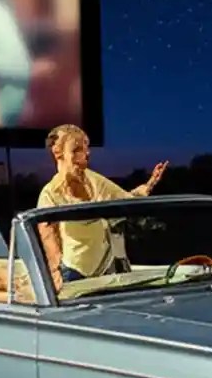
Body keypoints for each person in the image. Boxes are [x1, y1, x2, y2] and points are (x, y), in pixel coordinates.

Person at [36, 124, 168, 290]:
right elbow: (48, 236)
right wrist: (54, 272)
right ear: (58, 153)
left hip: (107, 271)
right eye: (77, 149)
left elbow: (125, 199)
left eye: (86, 148)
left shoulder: (95, 180)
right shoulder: (50, 194)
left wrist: (150, 184)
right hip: (76, 273)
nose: (86, 154)